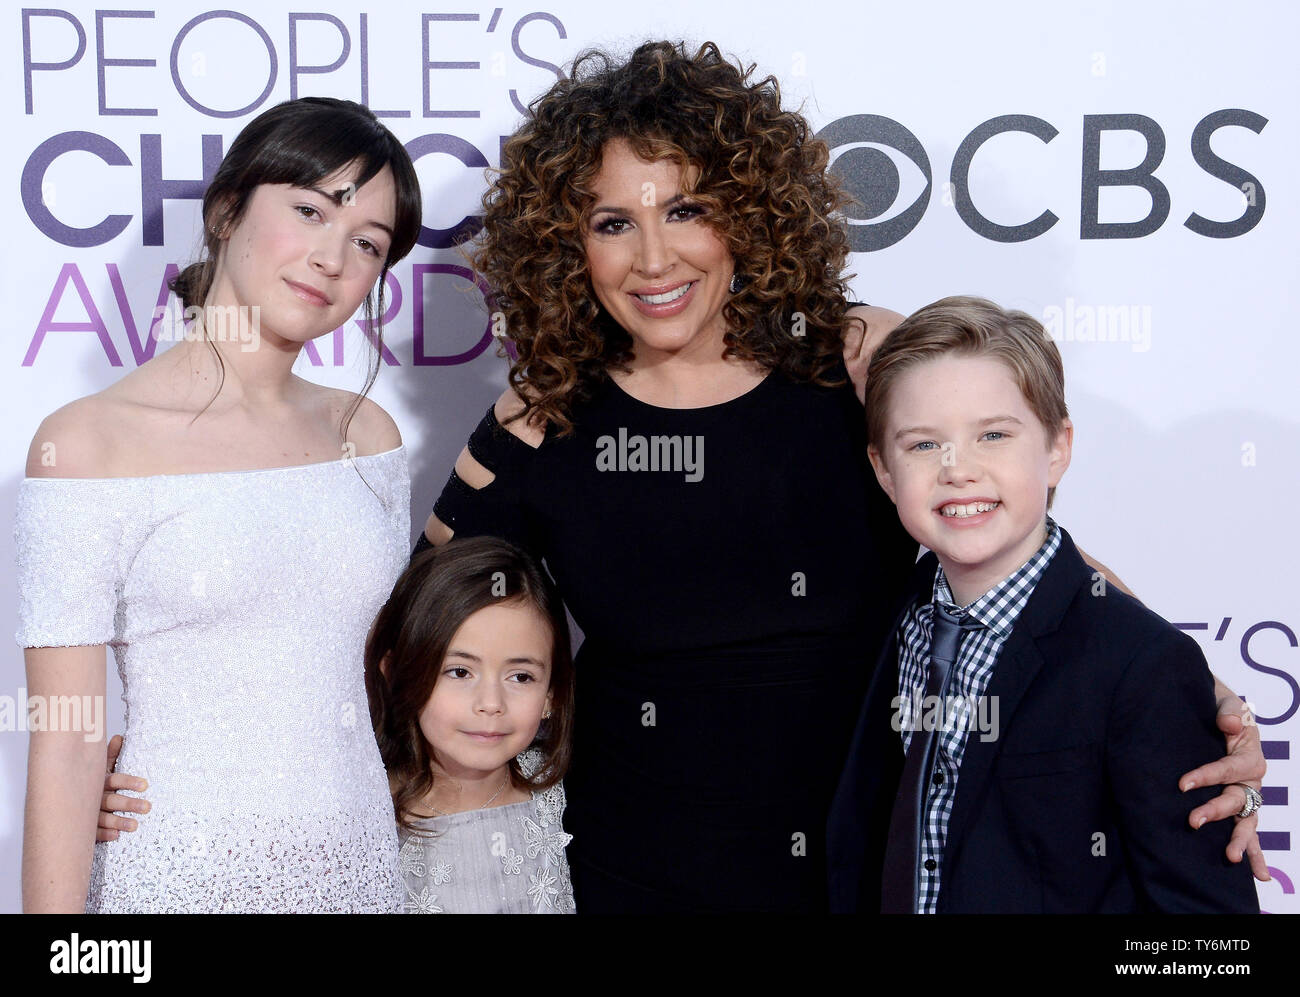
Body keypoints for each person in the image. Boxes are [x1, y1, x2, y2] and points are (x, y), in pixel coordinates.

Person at [404, 41, 1266, 912]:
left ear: (747, 212)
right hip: (632, 876)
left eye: (688, 209)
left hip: (868, 870)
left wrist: (1191, 695)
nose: (654, 259)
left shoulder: (855, 357)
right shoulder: (544, 413)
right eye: (613, 222)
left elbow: (1027, 559)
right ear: (568, 244)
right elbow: (425, 627)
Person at [17, 97, 422, 912]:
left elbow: (383, 676)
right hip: (174, 880)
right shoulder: (88, 445)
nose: (331, 257)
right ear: (227, 209)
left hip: (362, 874)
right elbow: (65, 746)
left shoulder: (368, 434)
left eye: (367, 243)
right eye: (308, 210)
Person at [827, 297, 1260, 913]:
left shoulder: (1138, 663)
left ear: (1057, 447)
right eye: (923, 445)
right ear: (884, 471)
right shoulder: (889, 622)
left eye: (994, 435)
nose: (958, 470)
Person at [364, 536, 577, 913]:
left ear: (551, 695)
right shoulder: (367, 817)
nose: (491, 704)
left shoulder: (568, 803)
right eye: (460, 671)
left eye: (521, 677)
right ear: (398, 672)